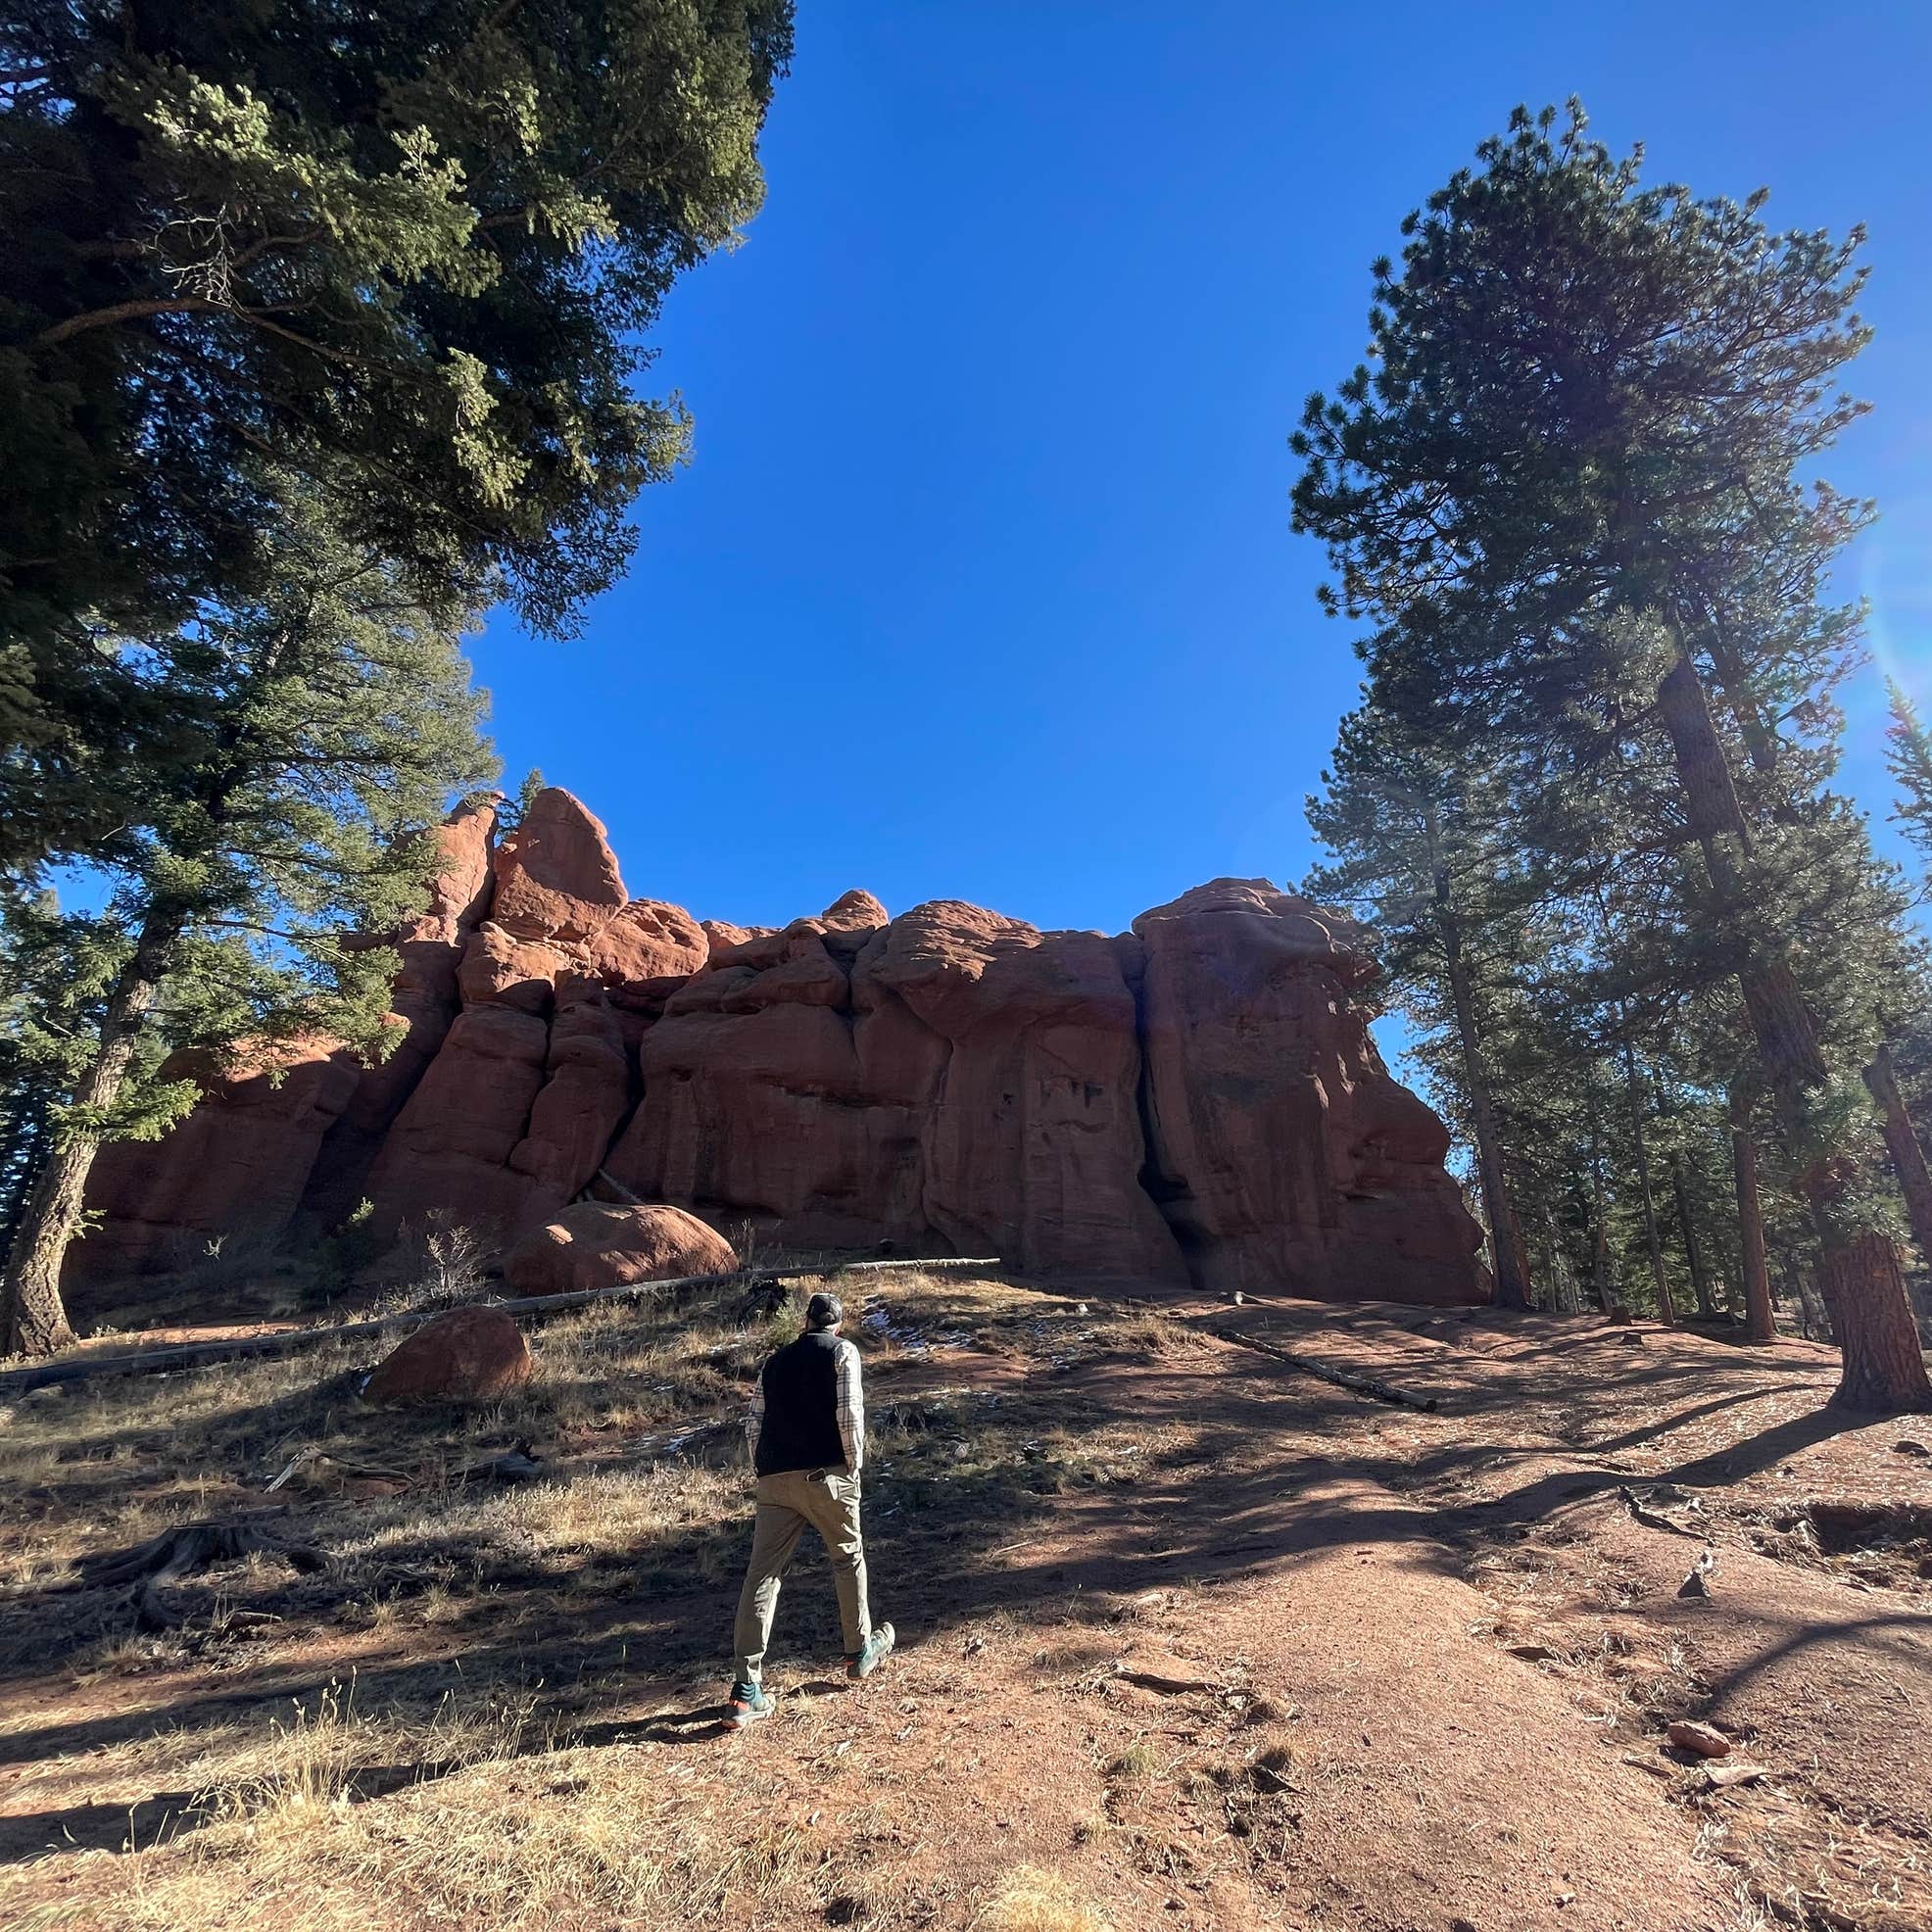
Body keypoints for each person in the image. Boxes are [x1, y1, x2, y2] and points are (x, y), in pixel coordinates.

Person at [727, 1290, 894, 1726]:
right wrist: (853, 1468)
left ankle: (746, 1690)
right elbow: (850, 1417)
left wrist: (764, 1470)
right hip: (828, 1476)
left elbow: (753, 1423)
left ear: (805, 1321)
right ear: (837, 1324)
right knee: (847, 1558)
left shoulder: (775, 1361)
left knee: (762, 1576)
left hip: (774, 1481)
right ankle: (858, 1652)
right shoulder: (844, 1351)